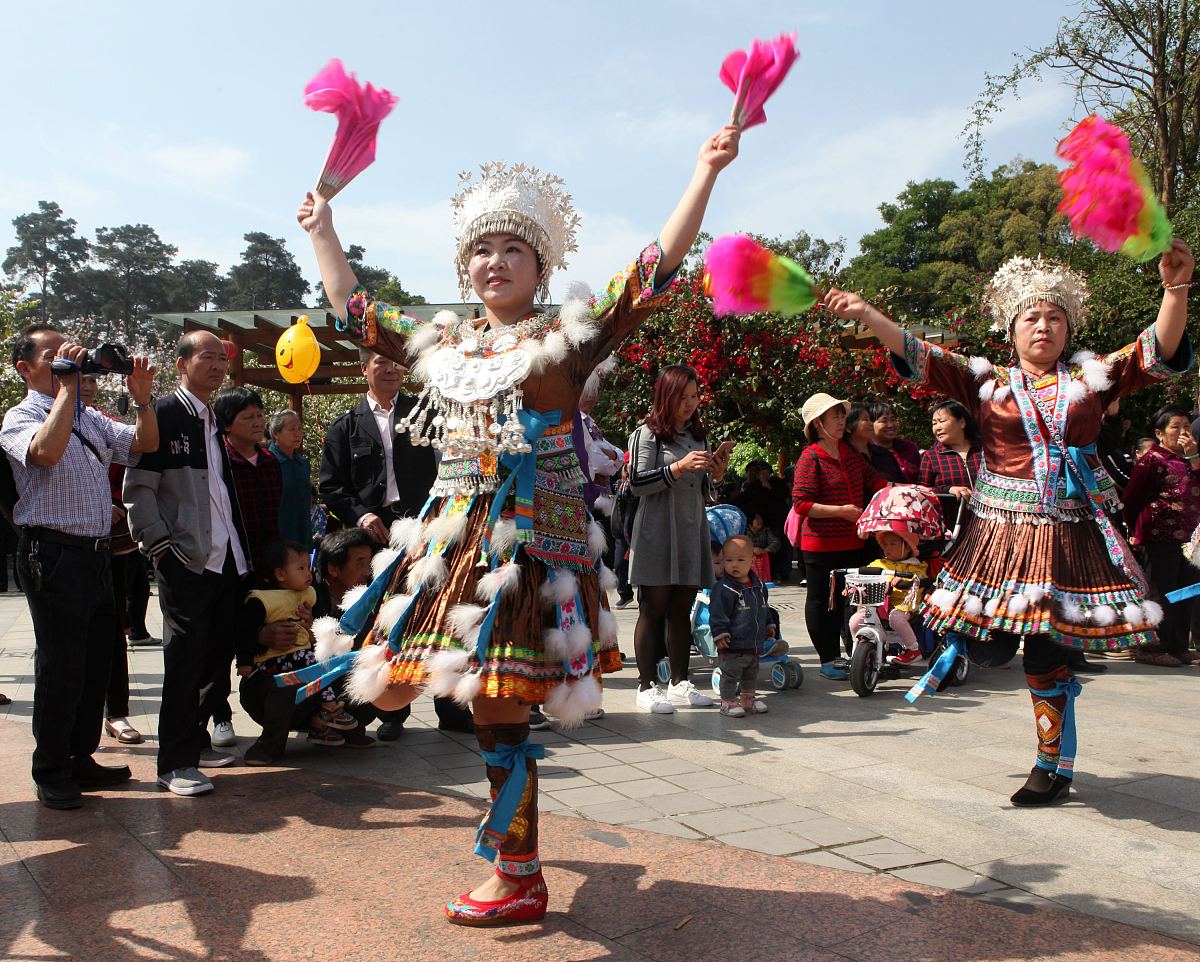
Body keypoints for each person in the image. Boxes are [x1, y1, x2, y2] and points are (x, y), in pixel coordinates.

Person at [295, 119, 740, 924]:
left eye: (512, 250)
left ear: (540, 266)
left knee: (497, 706)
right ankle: (518, 858)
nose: (493, 263)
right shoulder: (444, 344)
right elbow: (354, 307)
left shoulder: (566, 340)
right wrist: (324, 227)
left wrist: (703, 173)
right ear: (464, 265)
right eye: (481, 250)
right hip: (447, 547)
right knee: (391, 691)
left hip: (531, 548)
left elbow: (652, 270)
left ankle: (518, 870)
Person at [822, 243, 1194, 807]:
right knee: (989, 644)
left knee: (1047, 652)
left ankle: (1051, 764)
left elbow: (1156, 350)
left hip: (1069, 533)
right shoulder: (985, 382)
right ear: (1011, 329)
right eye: (1031, 318)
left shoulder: (1094, 378)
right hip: (997, 533)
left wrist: (1175, 289)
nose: (1042, 326)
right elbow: (922, 354)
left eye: (1054, 317)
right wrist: (870, 315)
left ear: (1068, 328)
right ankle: (962, 656)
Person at [0, 324, 158, 809]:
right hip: (51, 554)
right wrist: (68, 388)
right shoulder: (18, 416)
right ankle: (50, 768)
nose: (68, 359)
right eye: (53, 355)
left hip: (95, 555)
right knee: (61, 666)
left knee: (95, 665)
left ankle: (80, 757)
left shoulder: (88, 416)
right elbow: (44, 452)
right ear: (26, 369)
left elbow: (143, 445)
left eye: (69, 353)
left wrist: (144, 399)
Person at [319, 347, 471, 740]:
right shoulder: (345, 426)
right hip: (375, 535)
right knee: (382, 621)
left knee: (438, 612)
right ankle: (391, 713)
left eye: (396, 363)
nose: (390, 370)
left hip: (426, 529)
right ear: (364, 368)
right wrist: (362, 515)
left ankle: (451, 707)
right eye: (380, 363)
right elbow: (331, 485)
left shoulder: (425, 413)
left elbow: (453, 462)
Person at [124, 330, 251, 797]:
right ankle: (173, 763)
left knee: (214, 657)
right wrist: (162, 548)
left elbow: (218, 491)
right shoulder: (163, 413)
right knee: (183, 661)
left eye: (221, 358)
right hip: (187, 560)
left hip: (224, 558)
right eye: (206, 357)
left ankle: (194, 744)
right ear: (181, 363)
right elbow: (138, 489)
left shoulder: (213, 419)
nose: (217, 365)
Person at [629, 365, 732, 713]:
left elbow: (704, 490)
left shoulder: (698, 435)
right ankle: (645, 686)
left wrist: (715, 473)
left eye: (695, 396)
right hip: (657, 529)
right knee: (653, 607)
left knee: (681, 609)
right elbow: (636, 482)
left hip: (690, 529)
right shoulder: (647, 433)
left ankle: (679, 682)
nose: (691, 403)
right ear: (666, 396)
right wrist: (678, 467)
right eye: (683, 397)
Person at [207, 386, 283, 748]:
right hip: (226, 564)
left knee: (260, 638)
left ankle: (270, 707)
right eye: (247, 417)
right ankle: (220, 715)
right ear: (226, 425)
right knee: (221, 640)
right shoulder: (218, 461)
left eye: (259, 415)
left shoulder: (270, 461)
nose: (257, 422)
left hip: (265, 565)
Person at [791, 393, 887, 680]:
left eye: (841, 413)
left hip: (854, 542)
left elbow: (876, 481)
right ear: (818, 423)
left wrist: (907, 491)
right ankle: (828, 658)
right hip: (821, 546)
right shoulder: (811, 457)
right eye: (835, 414)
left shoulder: (851, 455)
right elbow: (802, 504)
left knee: (854, 600)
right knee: (822, 602)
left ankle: (854, 654)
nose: (842, 418)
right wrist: (841, 511)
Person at [237, 541, 359, 762]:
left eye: (308, 566)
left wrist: (312, 627)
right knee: (305, 670)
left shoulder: (309, 595)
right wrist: (244, 662)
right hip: (271, 669)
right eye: (300, 568)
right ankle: (272, 743)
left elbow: (322, 635)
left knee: (342, 666)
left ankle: (330, 726)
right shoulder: (261, 600)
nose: (308, 573)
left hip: (303, 662)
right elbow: (244, 633)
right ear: (281, 574)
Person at [77, 374, 144, 747]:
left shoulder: (101, 422)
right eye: (76, 377)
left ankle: (115, 713)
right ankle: (71, 731)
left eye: (90, 379)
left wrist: (116, 505)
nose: (85, 385)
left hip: (113, 543)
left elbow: (137, 456)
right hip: (59, 550)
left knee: (113, 628)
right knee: (61, 644)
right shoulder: (30, 420)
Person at [1121, 405, 1200, 666]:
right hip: (1159, 537)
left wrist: (1193, 458)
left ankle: (1178, 646)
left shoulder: (1191, 457)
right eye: (1175, 427)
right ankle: (1152, 647)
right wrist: (1136, 532)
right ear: (1160, 433)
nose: (1183, 432)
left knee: (1185, 592)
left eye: (1187, 426)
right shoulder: (1151, 460)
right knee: (1161, 592)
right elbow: (1131, 500)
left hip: (1190, 540)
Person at [709, 534, 773, 718]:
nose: (734, 565)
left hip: (753, 642)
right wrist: (720, 633)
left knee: (751, 673)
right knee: (730, 673)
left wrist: (769, 624)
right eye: (728, 560)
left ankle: (747, 698)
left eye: (740, 560)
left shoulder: (759, 585)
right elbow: (718, 614)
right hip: (733, 644)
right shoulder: (724, 588)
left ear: (752, 561)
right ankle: (727, 702)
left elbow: (764, 607)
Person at [849, 530, 927, 665]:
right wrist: (855, 581)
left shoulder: (914, 566)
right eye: (885, 544)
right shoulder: (879, 563)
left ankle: (913, 649)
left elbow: (919, 577)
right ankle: (859, 649)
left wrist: (903, 578)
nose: (887, 548)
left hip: (901, 604)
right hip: (877, 603)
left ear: (907, 546)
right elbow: (864, 573)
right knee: (855, 620)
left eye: (892, 544)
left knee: (896, 618)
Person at [268, 409, 313, 547]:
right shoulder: (268, 462)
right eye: (292, 429)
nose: (298, 434)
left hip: (303, 537)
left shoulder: (303, 463)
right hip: (278, 539)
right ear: (276, 433)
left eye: (300, 429)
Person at [866, 400, 921, 483]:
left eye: (893, 420)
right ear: (870, 424)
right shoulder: (867, 452)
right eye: (884, 421)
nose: (890, 425)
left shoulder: (909, 447)